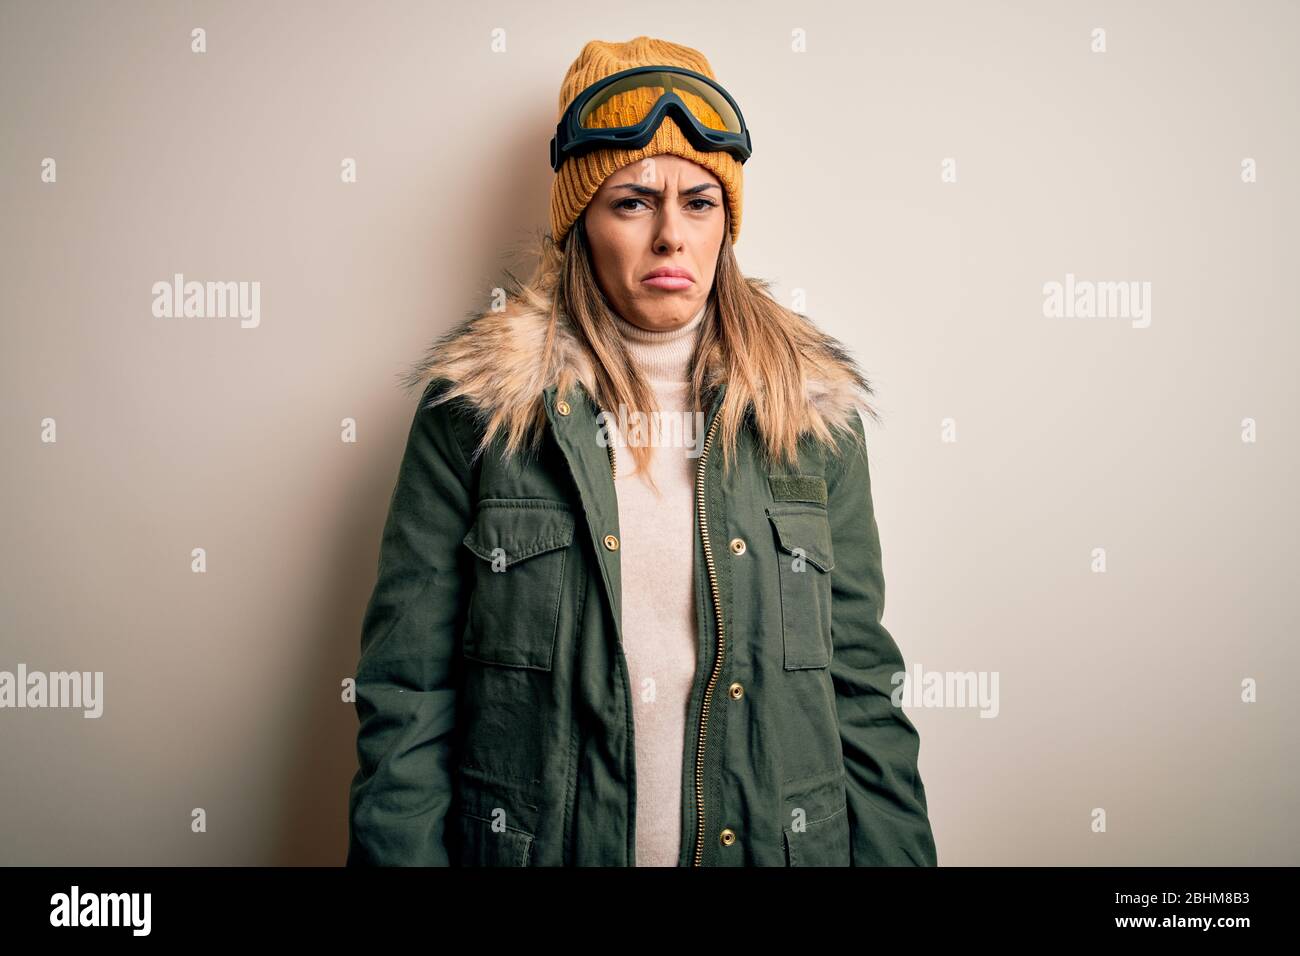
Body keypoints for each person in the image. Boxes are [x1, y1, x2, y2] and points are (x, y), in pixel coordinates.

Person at [346, 35, 937, 867]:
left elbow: (864, 695)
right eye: (631, 202)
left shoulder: (807, 417)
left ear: (726, 221)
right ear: (579, 220)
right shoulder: (479, 414)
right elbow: (407, 699)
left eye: (699, 201)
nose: (671, 236)